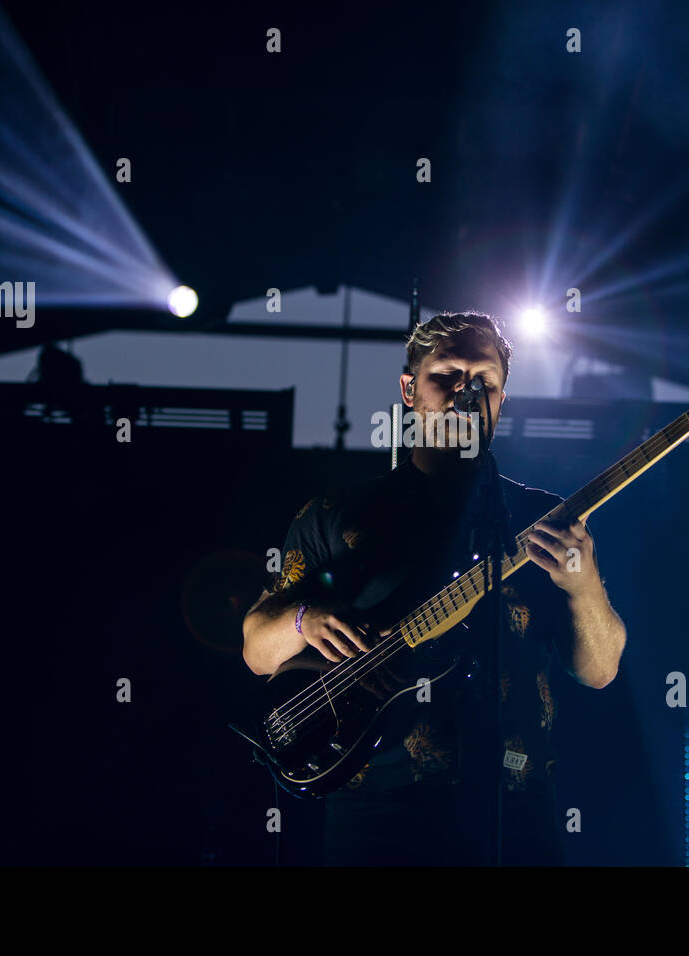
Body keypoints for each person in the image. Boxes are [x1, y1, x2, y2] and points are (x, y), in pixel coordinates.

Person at [242, 311, 627, 865]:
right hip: (375, 808)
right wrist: (304, 619)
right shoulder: (335, 513)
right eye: (445, 375)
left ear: (502, 399)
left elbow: (599, 670)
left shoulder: (542, 517)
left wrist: (584, 586)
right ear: (408, 389)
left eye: (484, 381)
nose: (464, 391)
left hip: (513, 806)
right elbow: (257, 650)